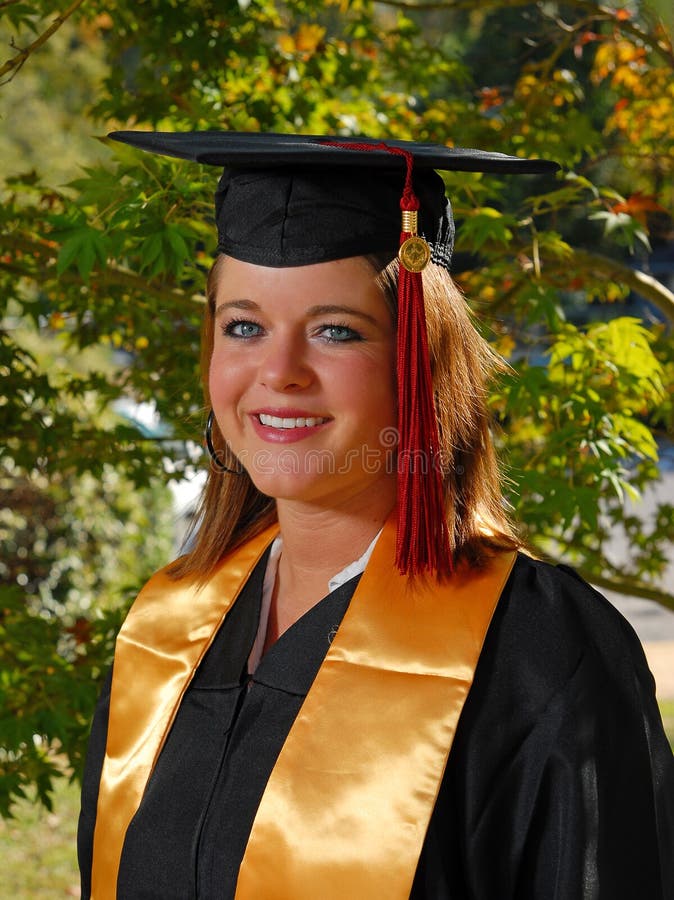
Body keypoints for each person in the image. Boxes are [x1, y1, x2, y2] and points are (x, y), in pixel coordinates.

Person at [77, 133, 674, 900]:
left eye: (335, 330)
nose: (279, 372)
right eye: (244, 325)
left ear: (419, 361)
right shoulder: (165, 629)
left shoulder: (538, 653)